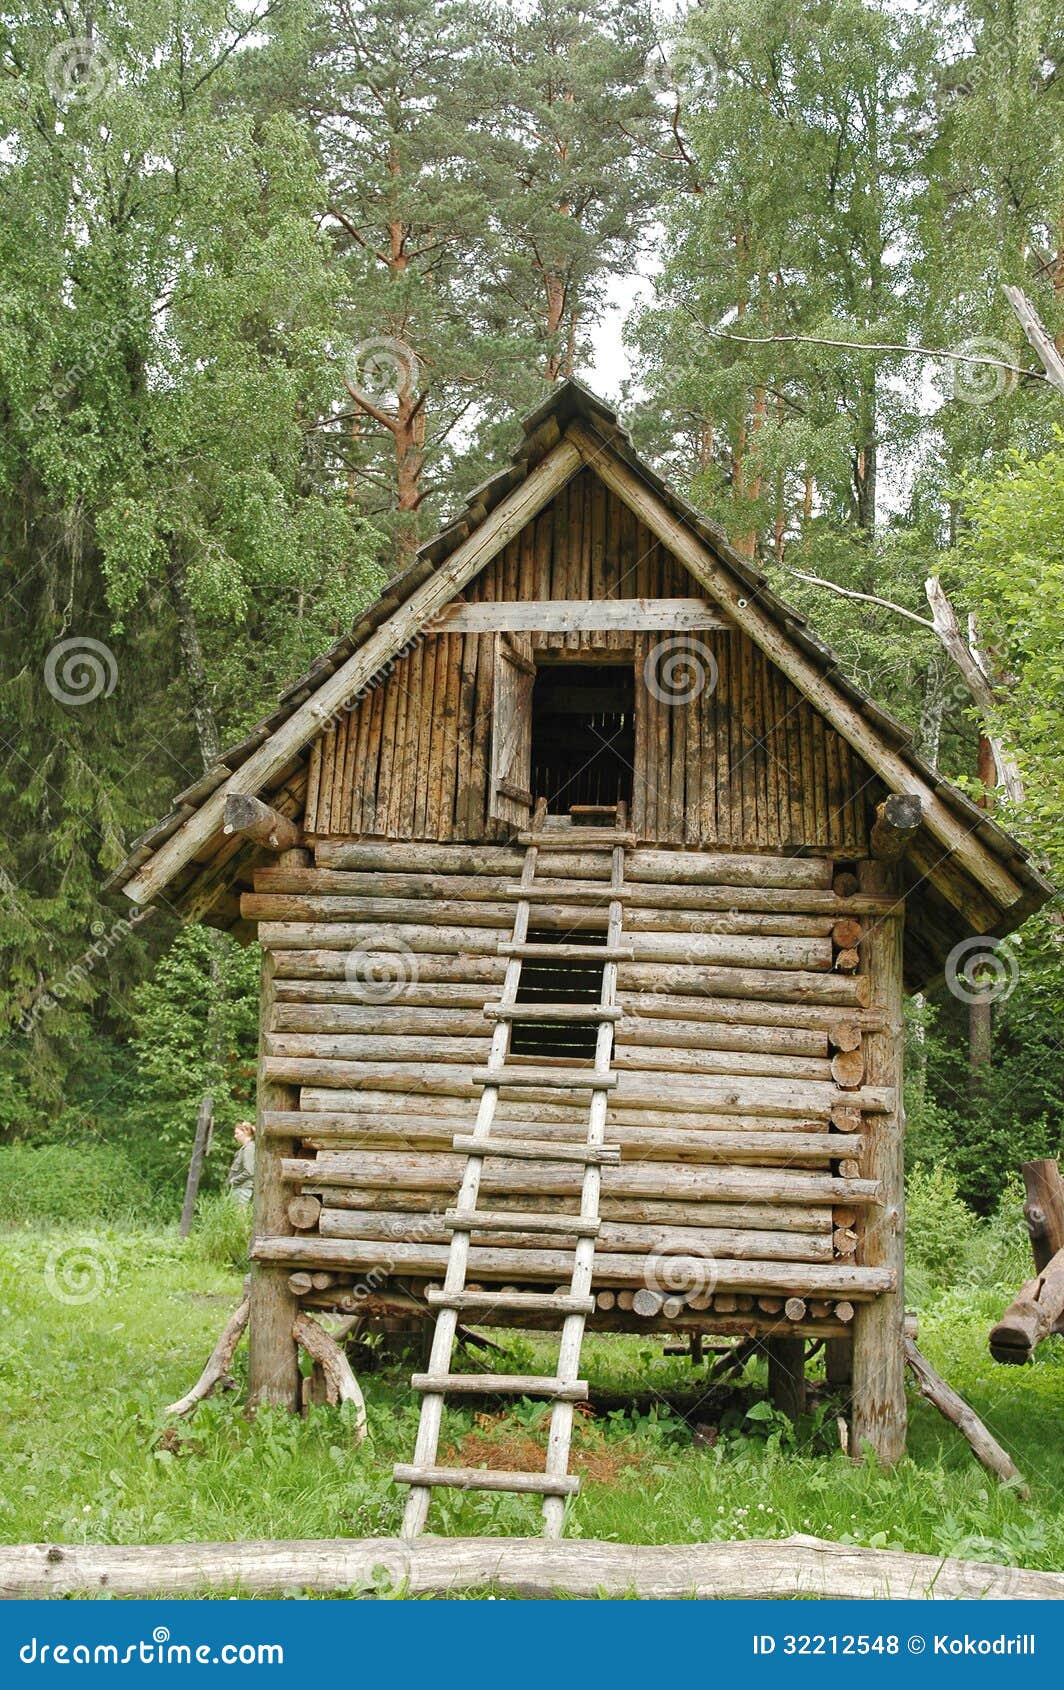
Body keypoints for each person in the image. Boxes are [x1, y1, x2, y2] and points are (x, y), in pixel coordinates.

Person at [226, 1120, 256, 1204]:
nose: (235, 1136)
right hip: (239, 1189)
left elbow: (249, 1172)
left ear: (245, 1132)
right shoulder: (243, 1149)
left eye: (237, 1133)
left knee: (240, 1215)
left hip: (242, 1189)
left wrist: (234, 1180)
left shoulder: (249, 1149)